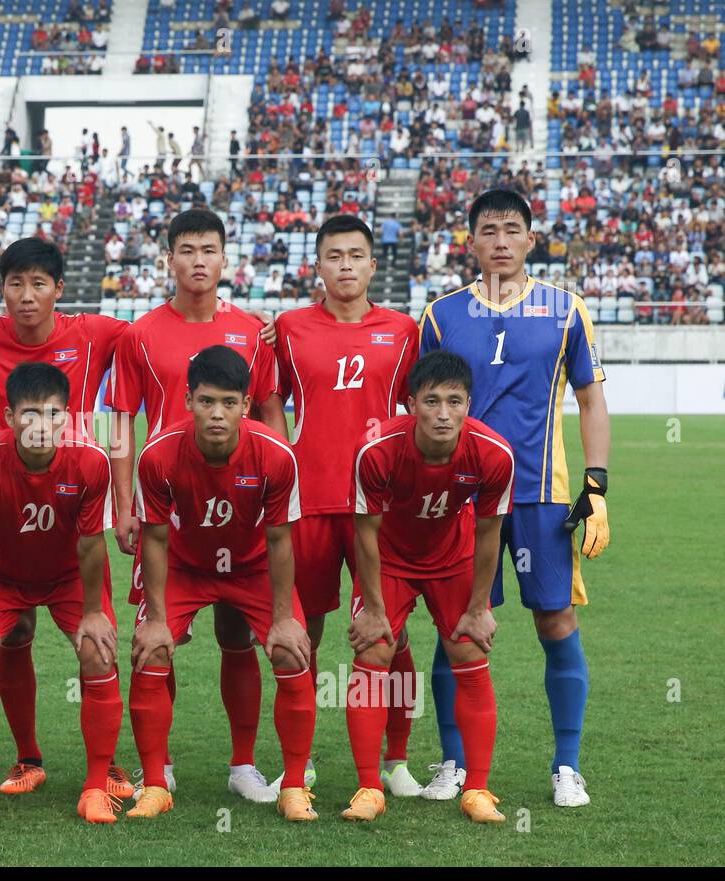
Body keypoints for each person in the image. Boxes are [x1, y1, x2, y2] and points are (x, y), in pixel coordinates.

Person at [419, 188, 609, 807]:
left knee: (555, 619)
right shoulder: (442, 316)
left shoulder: (565, 309)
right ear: (469, 242)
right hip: (461, 498)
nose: (500, 241)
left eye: (511, 229)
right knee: (458, 629)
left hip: (540, 494)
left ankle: (567, 765)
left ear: (531, 239)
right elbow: (418, 405)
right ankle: (453, 763)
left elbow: (590, 398)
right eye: (488, 230)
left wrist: (597, 483)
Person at [108, 207, 287, 802]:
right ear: (169, 260)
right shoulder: (140, 334)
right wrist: (123, 501)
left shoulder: (251, 332)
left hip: (241, 512)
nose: (198, 261)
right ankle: (158, 768)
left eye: (209, 249)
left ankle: (242, 766)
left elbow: (268, 411)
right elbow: (121, 422)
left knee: (240, 637)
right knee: (157, 638)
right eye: (186, 250)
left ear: (225, 258)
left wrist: (279, 490)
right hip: (168, 512)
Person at [0, 237, 135, 798]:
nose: (26, 296)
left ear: (58, 288)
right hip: (1, 515)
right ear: (0, 287)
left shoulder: (95, 333)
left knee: (96, 642)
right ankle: (26, 758)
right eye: (15, 283)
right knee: (6, 639)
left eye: (39, 284)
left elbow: (160, 341)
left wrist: (248, 325)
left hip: (69, 510)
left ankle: (104, 769)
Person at [258, 214, 419, 795]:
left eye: (356, 255)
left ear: (374, 265)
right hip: (313, 499)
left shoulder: (403, 330)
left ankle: (393, 762)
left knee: (389, 633)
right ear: (317, 266)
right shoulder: (289, 328)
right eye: (334, 256)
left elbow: (416, 407)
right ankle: (298, 765)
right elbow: (271, 402)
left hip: (380, 505)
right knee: (304, 632)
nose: (345, 265)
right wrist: (287, 455)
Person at [127, 346, 315, 821]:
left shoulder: (275, 454)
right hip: (185, 565)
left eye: (229, 403)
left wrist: (284, 619)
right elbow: (153, 537)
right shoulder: (158, 454)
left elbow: (279, 541)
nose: (217, 414)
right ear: (188, 400)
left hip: (251, 566)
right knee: (149, 649)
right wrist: (153, 619)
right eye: (207, 401)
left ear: (246, 406)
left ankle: (290, 785)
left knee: (292, 652)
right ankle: (154, 782)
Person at [0, 363, 122, 825]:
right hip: (5, 577)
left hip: (68, 577)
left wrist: (91, 612)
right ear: (9, 416)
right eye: (30, 414)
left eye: (52, 414)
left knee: (98, 651)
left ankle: (96, 786)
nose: (41, 426)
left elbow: (90, 544)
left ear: (67, 417)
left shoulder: (91, 460)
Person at [348, 349, 514, 824]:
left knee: (468, 649)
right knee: (375, 649)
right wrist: (374, 608)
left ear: (469, 404)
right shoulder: (376, 450)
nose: (443, 414)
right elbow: (364, 532)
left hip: (452, 558)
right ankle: (367, 788)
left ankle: (478, 789)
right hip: (391, 559)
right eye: (432, 401)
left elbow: (489, 534)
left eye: (455, 402)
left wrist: (479, 606)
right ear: (411, 403)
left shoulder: (493, 453)